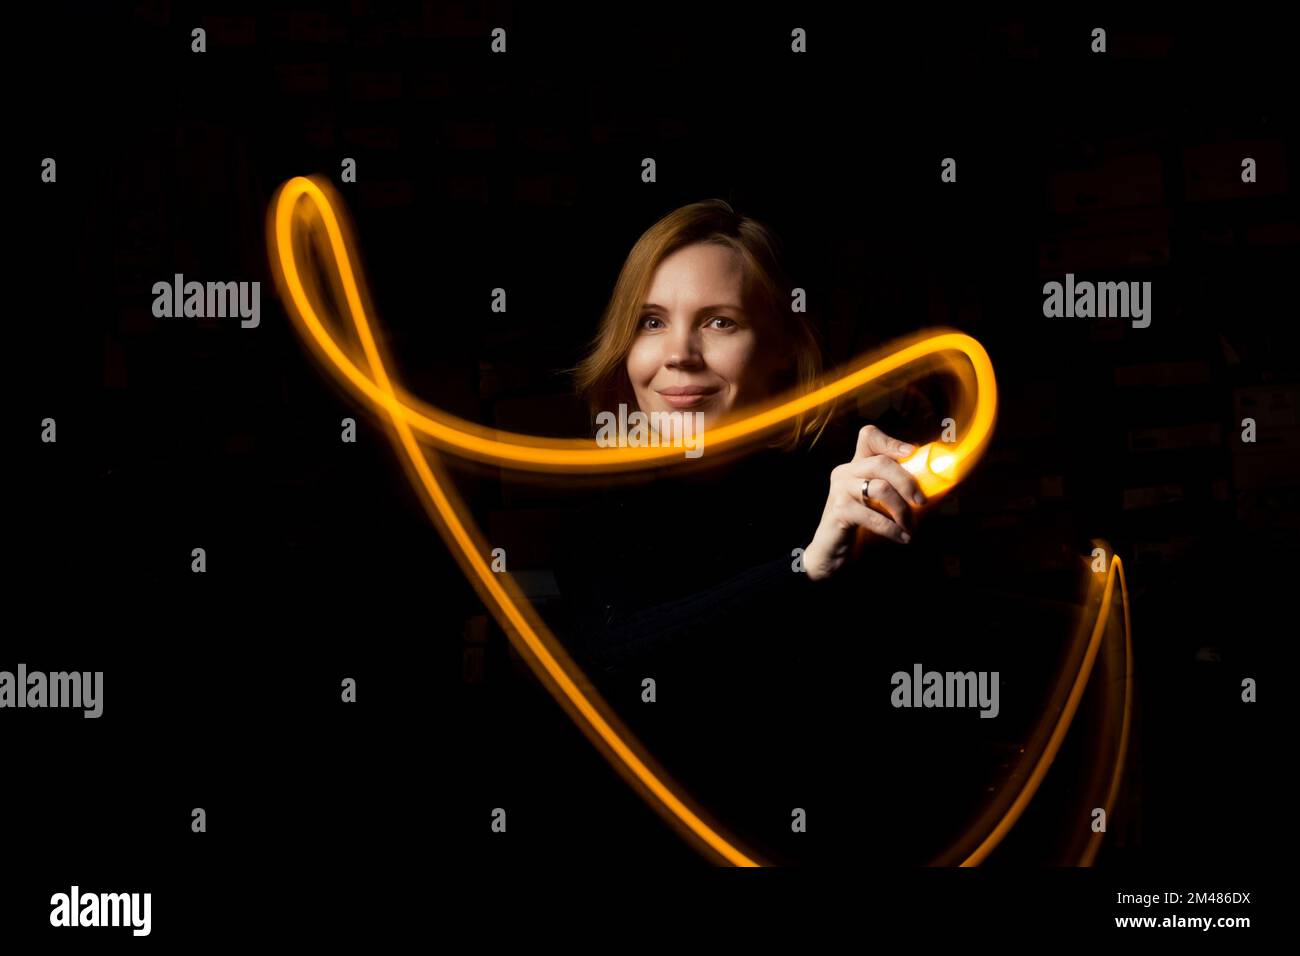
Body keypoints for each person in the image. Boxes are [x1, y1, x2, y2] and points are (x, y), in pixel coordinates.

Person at [547, 200, 929, 859]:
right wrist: (802, 570)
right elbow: (613, 656)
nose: (678, 356)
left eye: (720, 322)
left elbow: (886, 752)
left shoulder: (845, 496)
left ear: (783, 349)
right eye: (650, 322)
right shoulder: (595, 507)